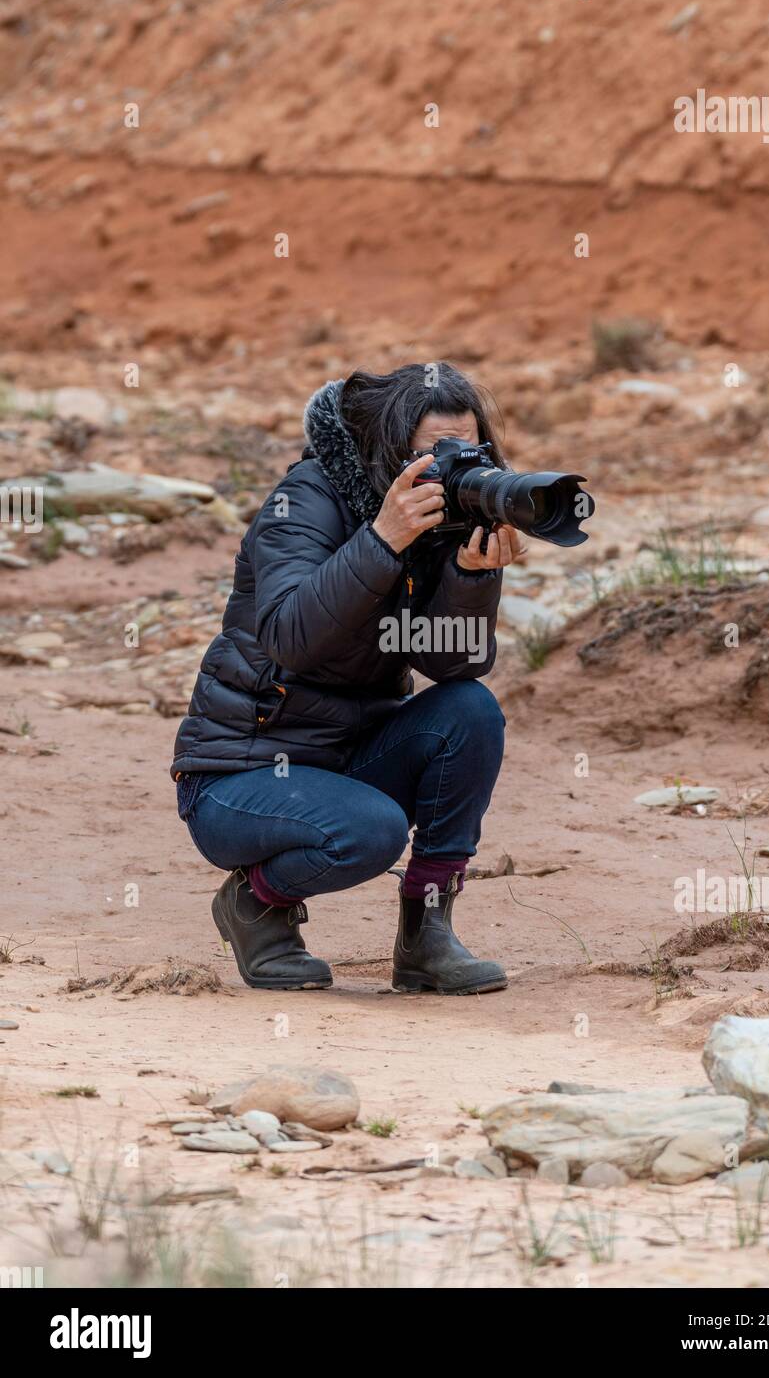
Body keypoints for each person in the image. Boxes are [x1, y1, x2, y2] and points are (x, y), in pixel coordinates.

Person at [171, 363, 525, 994]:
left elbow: (452, 664)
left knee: (470, 710)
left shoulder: (436, 516)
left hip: (346, 761)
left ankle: (428, 936)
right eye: (434, 454)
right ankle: (254, 904)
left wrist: (472, 575)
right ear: (386, 450)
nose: (453, 468)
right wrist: (383, 538)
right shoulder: (305, 498)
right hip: (240, 777)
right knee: (370, 830)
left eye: (467, 452)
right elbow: (292, 636)